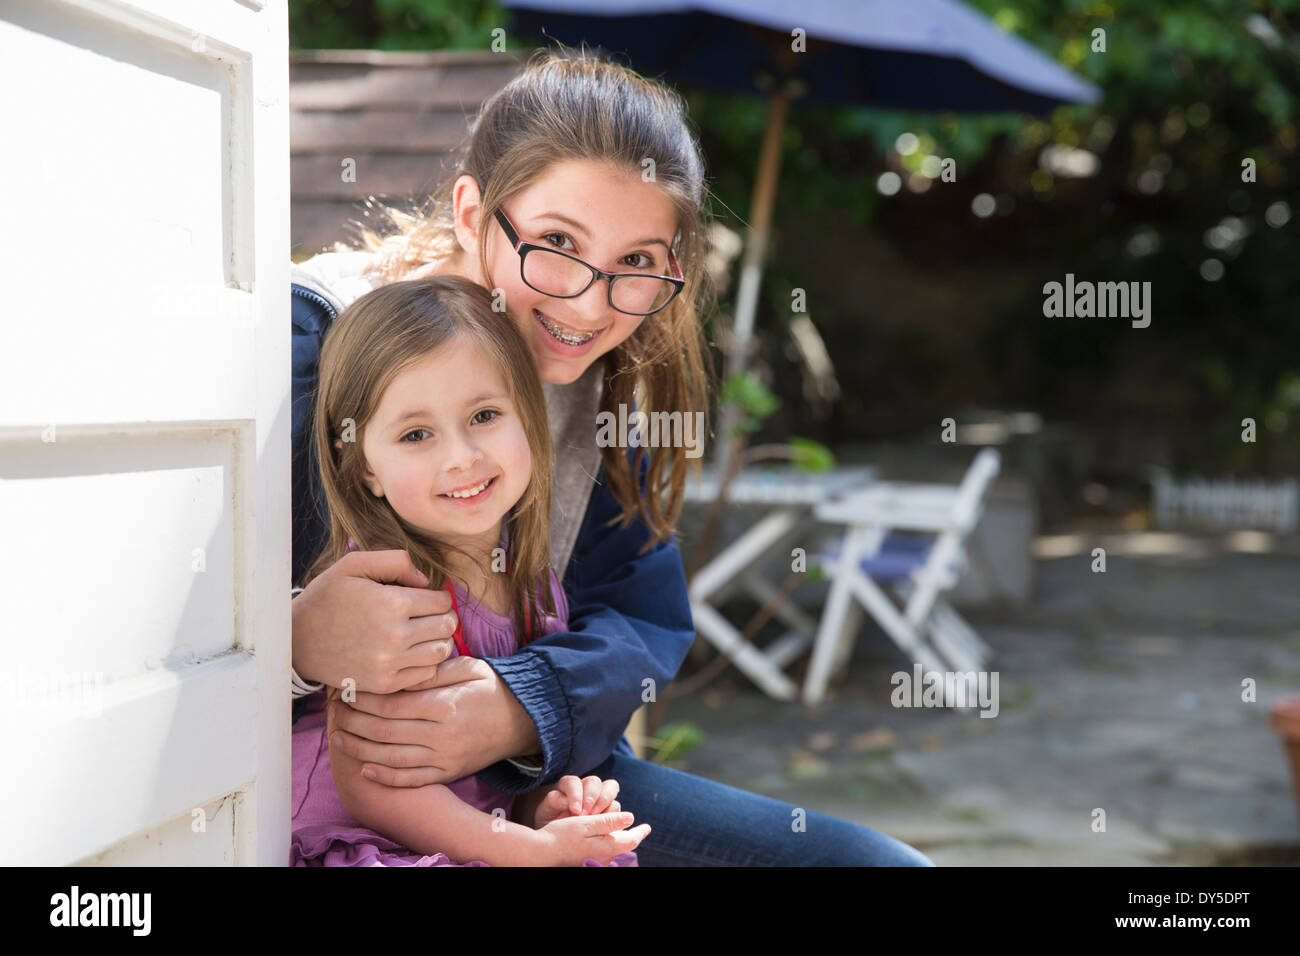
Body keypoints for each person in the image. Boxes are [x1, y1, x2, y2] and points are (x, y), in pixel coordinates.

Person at [290, 45, 935, 866]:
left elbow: (642, 616)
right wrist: (294, 646)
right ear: (470, 212)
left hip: (524, 784)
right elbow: (169, 625)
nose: (591, 306)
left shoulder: (605, 387)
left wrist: (527, 706)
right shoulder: (321, 342)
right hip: (341, 810)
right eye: (557, 241)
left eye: (635, 263)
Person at [291, 277, 648, 866]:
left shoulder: (532, 581)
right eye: (416, 434)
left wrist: (547, 809)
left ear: (528, 419)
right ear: (365, 470)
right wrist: (526, 850)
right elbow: (375, 784)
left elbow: (513, 769)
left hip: (477, 836)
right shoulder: (392, 592)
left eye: (484, 414)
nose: (461, 456)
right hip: (373, 841)